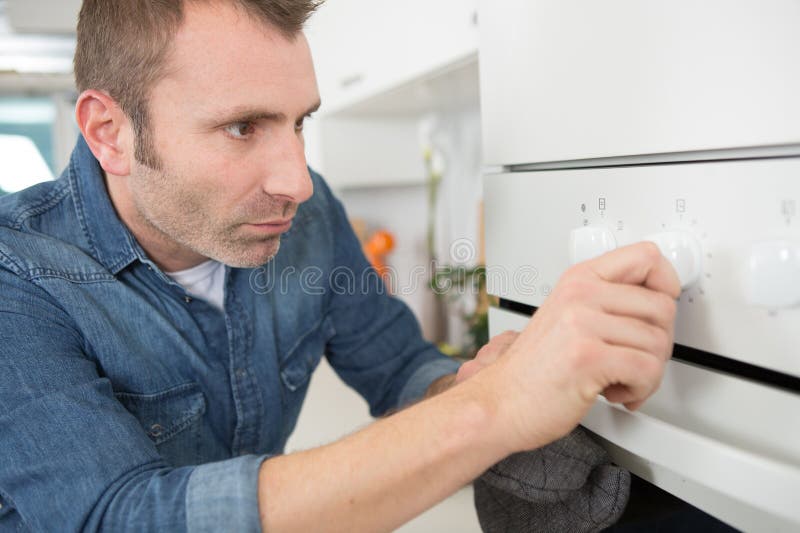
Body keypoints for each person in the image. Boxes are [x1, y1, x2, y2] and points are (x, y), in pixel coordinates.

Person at [0, 1, 680, 531]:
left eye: (299, 123)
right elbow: (118, 518)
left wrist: (487, 377)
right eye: (244, 127)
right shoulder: (18, 273)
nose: (297, 180)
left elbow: (399, 367)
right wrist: (494, 406)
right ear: (108, 133)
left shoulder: (308, 215)